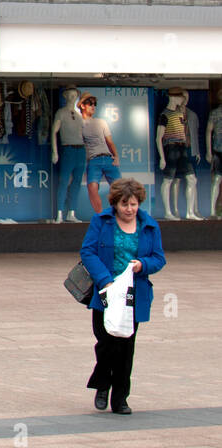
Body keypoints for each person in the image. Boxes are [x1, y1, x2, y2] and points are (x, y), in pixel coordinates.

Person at [79, 177, 165, 415]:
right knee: (106, 341)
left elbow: (159, 258)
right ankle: (103, 384)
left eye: (134, 204)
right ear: (115, 203)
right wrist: (105, 279)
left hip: (133, 294)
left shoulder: (149, 226)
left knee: (126, 346)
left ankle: (120, 399)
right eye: (125, 204)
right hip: (106, 292)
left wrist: (143, 264)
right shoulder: (101, 221)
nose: (129, 209)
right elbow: (87, 251)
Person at [80, 93, 119, 213]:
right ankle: (100, 215)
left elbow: (110, 141)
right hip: (93, 159)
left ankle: (119, 214)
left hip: (107, 157)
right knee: (92, 187)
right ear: (82, 105)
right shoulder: (78, 123)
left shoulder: (101, 122)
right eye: (90, 103)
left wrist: (116, 157)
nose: (93, 106)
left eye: (94, 104)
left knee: (119, 188)